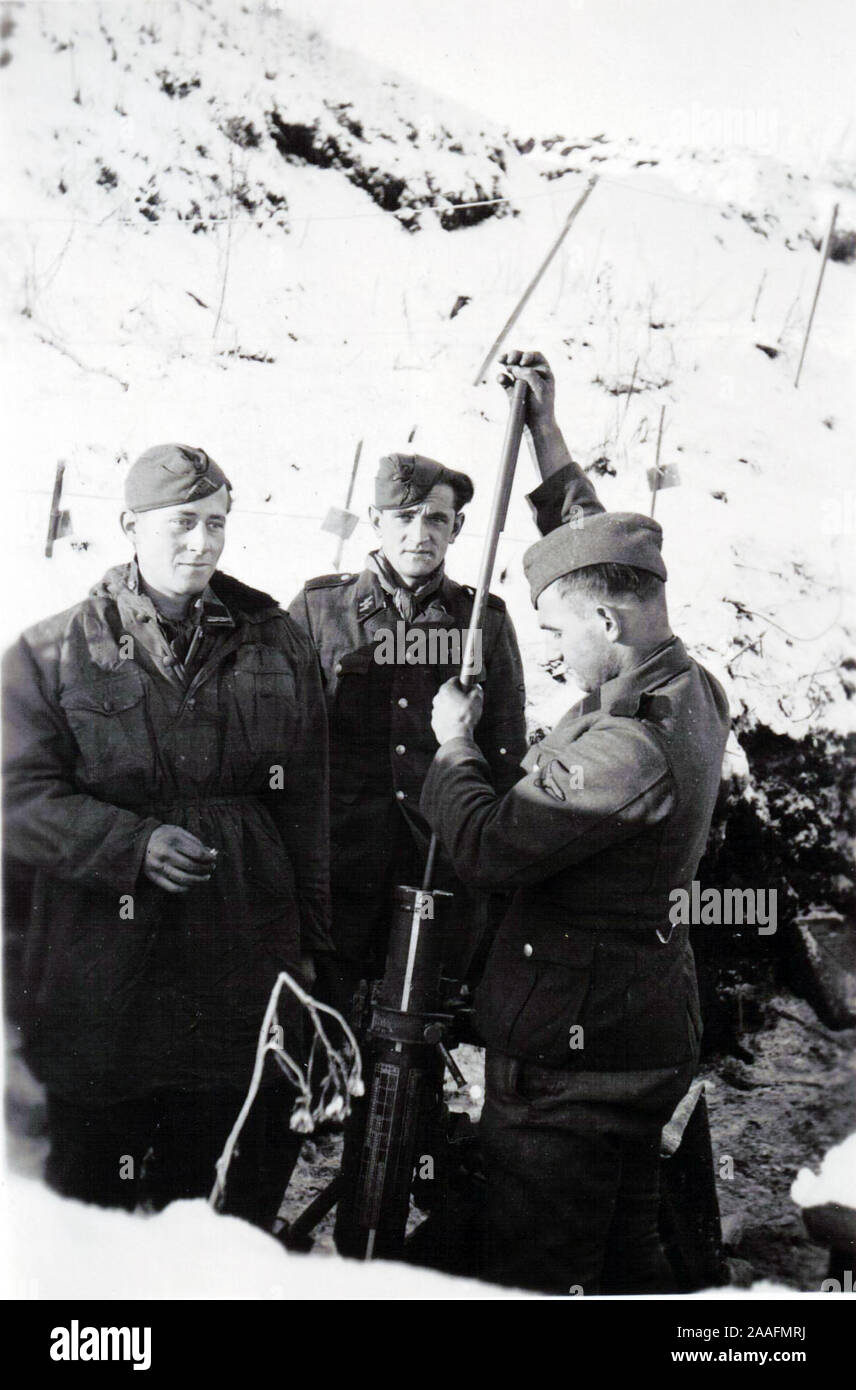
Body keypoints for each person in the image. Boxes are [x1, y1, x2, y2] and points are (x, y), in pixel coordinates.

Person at [422, 352, 730, 1294]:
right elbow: (598, 550)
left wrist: (454, 748)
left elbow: (486, 846)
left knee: (544, 1269)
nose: (549, 653)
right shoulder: (686, 680)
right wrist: (548, 437)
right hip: (633, 1044)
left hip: (572, 1073)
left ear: (606, 620)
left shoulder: (626, 747)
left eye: (556, 632)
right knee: (624, 1260)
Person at [3, 443, 332, 1229]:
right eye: (183, 523)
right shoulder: (55, 650)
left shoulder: (274, 639)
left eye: (217, 524)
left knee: (222, 1181)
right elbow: (15, 798)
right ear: (129, 526)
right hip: (101, 960)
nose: (203, 543)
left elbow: (309, 807)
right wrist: (130, 845)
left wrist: (318, 953)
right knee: (91, 1187)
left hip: (240, 951)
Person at [288, 452, 527, 1018]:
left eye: (437, 519)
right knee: (330, 1030)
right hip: (339, 868)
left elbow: (505, 754)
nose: (420, 535)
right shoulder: (321, 610)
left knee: (416, 1041)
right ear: (376, 520)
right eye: (404, 517)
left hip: (437, 863)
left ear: (458, 528)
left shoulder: (483, 622)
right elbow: (287, 748)